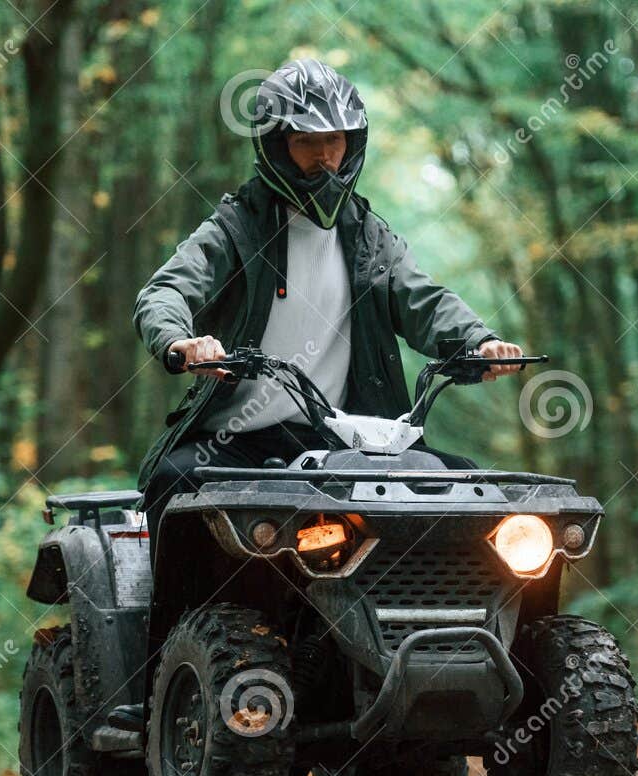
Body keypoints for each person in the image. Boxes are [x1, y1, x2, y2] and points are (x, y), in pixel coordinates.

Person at [132, 58, 524, 529]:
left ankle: (457, 604)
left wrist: (478, 342)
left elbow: (425, 301)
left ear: (351, 142)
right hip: (240, 440)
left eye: (333, 140)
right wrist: (181, 342)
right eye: (306, 141)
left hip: (346, 440)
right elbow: (166, 290)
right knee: (173, 480)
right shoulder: (236, 227)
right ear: (277, 147)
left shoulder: (371, 238)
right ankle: (178, 607)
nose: (324, 157)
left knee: (473, 490)